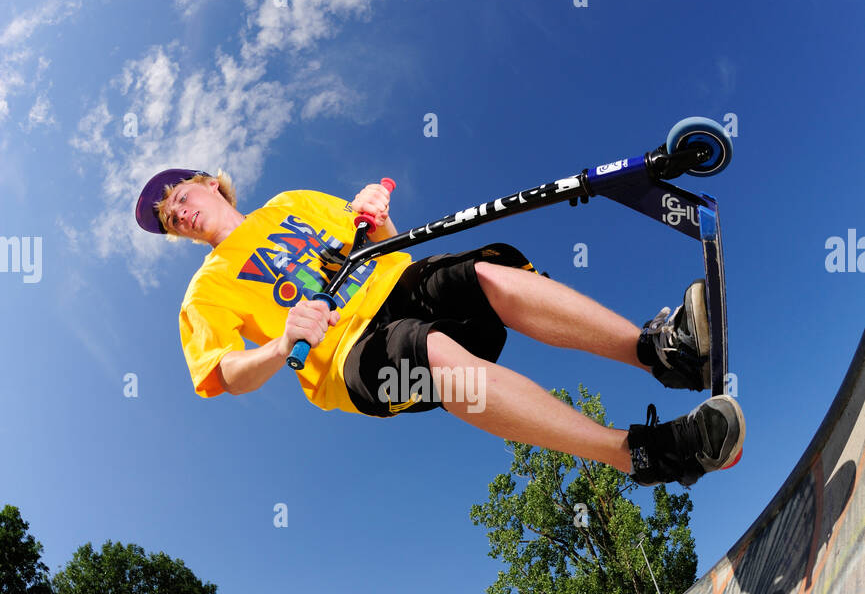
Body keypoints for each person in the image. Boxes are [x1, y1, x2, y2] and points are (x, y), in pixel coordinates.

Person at [134, 166, 744, 487]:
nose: (178, 211)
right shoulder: (204, 292)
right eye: (169, 218)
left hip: (401, 283)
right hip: (353, 357)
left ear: (210, 182)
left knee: (489, 270)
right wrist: (279, 342)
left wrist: (377, 216)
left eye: (179, 194)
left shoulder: (291, 204)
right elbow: (224, 375)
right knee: (426, 357)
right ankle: (641, 454)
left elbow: (377, 239)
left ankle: (663, 353)